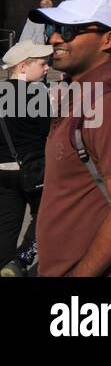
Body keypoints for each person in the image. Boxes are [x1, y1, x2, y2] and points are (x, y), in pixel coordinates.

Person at [30, 0, 111, 277]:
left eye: (68, 30)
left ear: (109, 39)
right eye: (53, 27)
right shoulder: (82, 94)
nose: (54, 38)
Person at [0, 40, 52, 274]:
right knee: (44, 217)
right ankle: (21, 261)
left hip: (2, 170)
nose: (47, 67)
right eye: (42, 63)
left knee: (6, 226)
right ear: (22, 67)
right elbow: (48, 134)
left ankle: (4, 267)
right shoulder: (37, 94)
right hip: (34, 169)